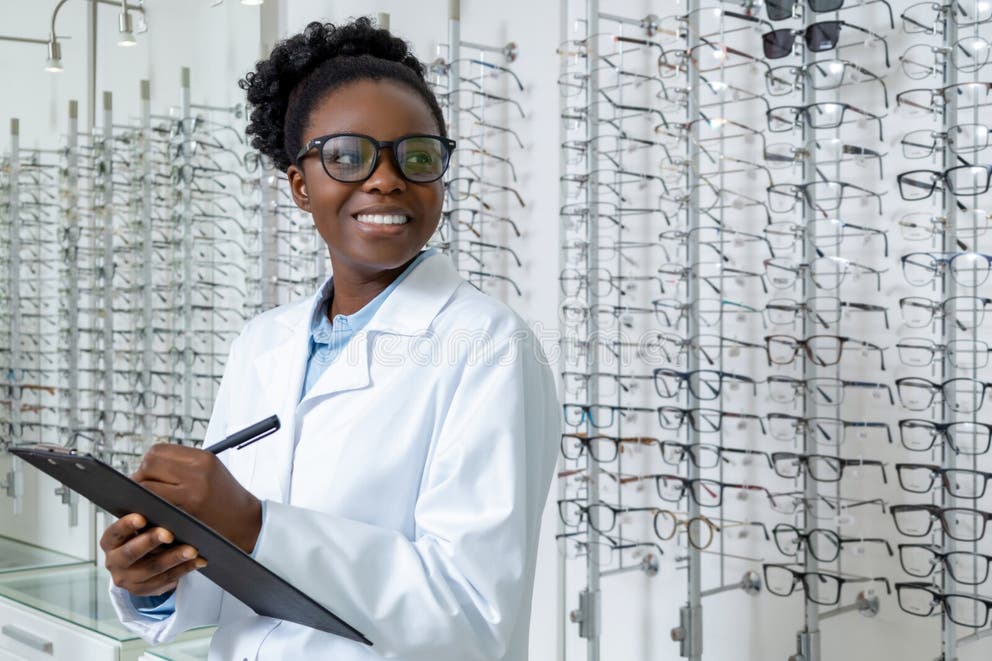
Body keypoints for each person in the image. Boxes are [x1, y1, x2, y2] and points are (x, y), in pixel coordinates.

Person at [101, 17, 560, 661]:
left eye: (418, 155)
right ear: (299, 186)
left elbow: (472, 613)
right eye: (347, 155)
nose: (385, 178)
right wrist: (153, 574)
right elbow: (220, 585)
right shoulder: (263, 344)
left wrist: (257, 525)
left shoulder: (488, 346)